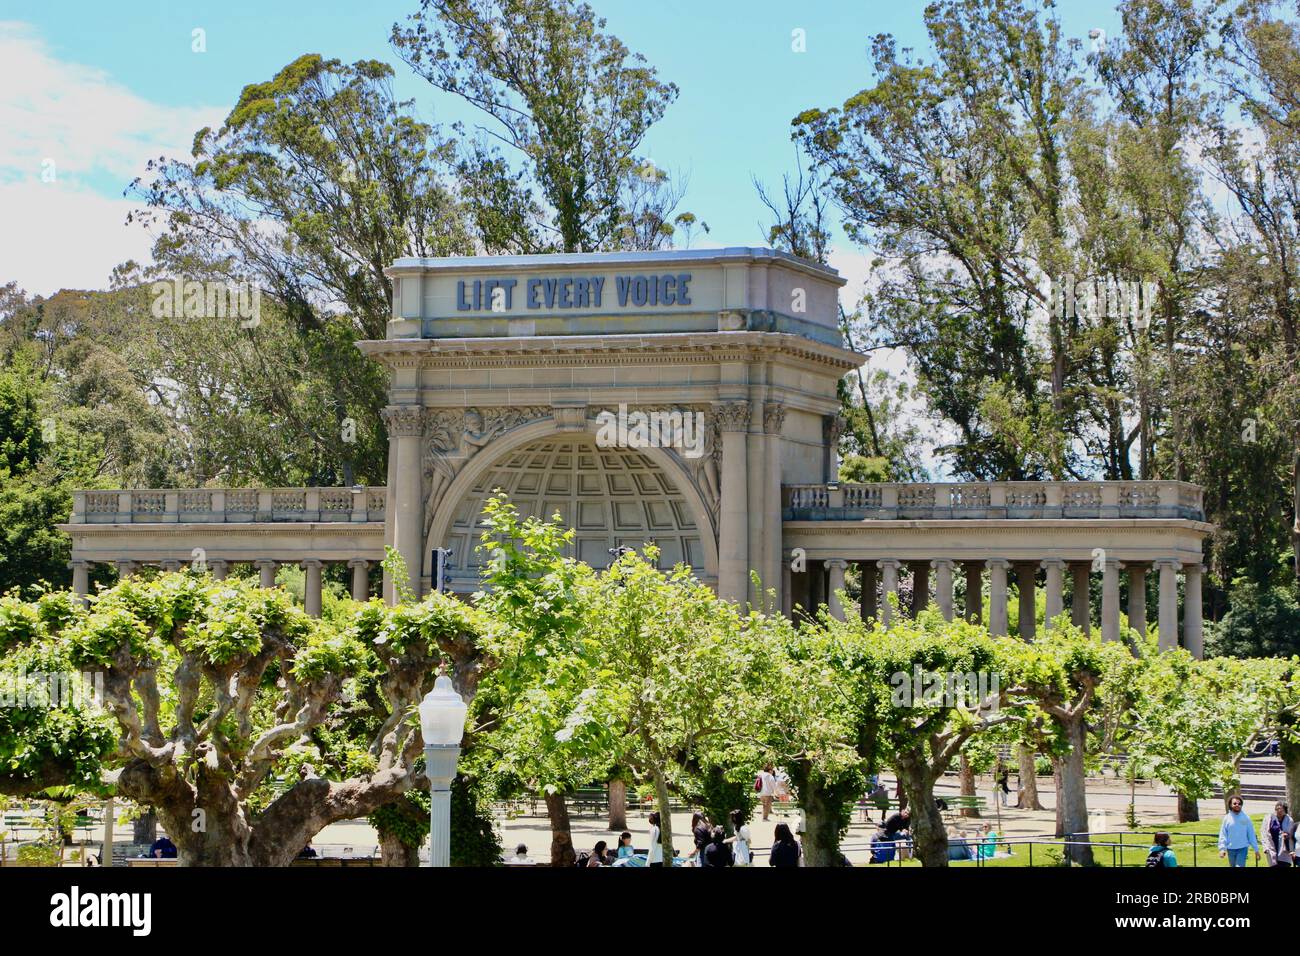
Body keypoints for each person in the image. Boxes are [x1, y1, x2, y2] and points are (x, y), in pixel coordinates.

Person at [1218, 795, 1260, 867]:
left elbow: (1251, 834)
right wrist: (1222, 848)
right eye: (1234, 803)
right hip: (1230, 849)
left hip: (1242, 848)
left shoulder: (1246, 818)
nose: (1237, 805)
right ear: (1230, 805)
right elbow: (1223, 834)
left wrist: (1256, 849)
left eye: (1239, 803)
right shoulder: (1226, 818)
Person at [1262, 802, 1294, 868]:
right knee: (1273, 865)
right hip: (1271, 847)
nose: (1279, 811)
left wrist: (1287, 835)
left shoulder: (1289, 820)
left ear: (1285, 811)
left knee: (1284, 864)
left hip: (1284, 850)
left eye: (1281, 810)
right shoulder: (1268, 818)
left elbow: (1293, 835)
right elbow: (1264, 833)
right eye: (1277, 809)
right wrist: (1265, 847)